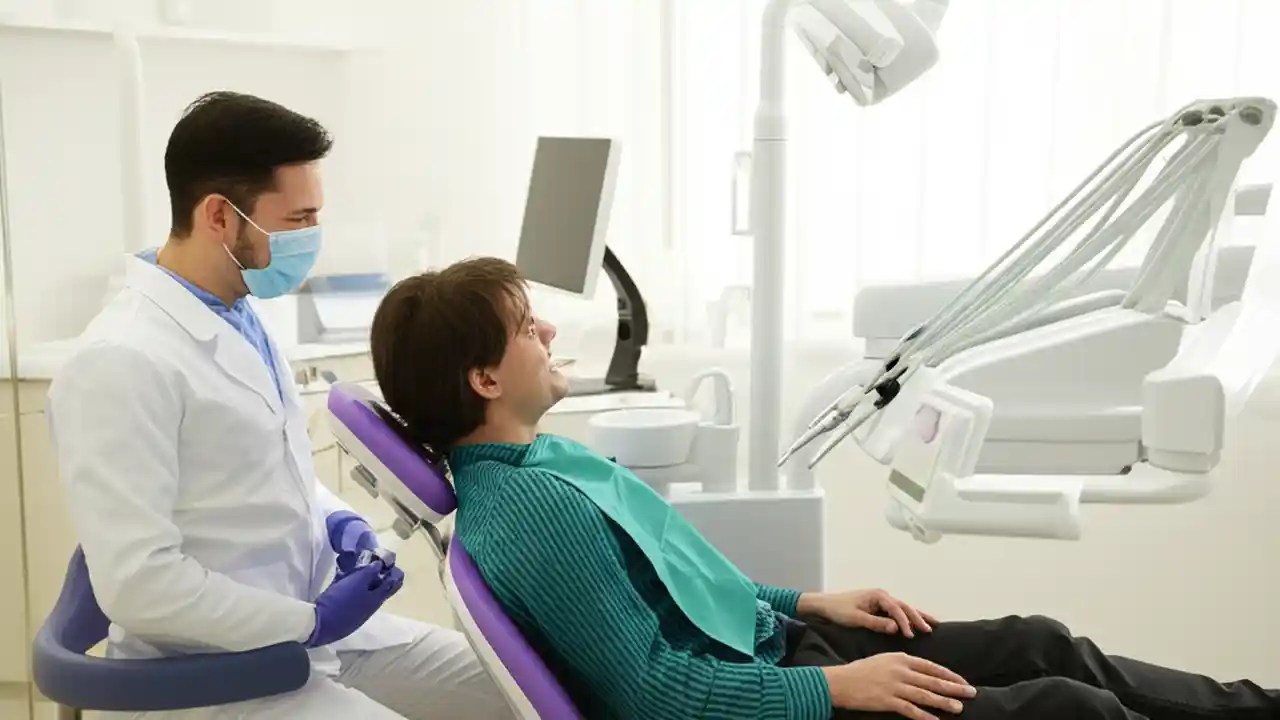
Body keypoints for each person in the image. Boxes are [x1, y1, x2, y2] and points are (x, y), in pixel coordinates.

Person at [368, 255, 1280, 720]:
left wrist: (810, 599)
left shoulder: (539, 465)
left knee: (1038, 642)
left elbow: (686, 589)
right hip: (770, 693)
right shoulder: (527, 514)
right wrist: (837, 692)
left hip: (779, 645)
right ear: (485, 379)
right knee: (1066, 710)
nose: (550, 336)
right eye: (528, 329)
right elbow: (653, 695)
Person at [46, 92, 511, 719]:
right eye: (297, 220)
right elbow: (139, 586)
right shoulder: (119, 361)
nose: (311, 238)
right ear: (219, 216)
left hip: (309, 638)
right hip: (212, 677)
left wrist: (338, 522)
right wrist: (309, 621)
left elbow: (258, 471)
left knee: (518, 697)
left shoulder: (236, 313)